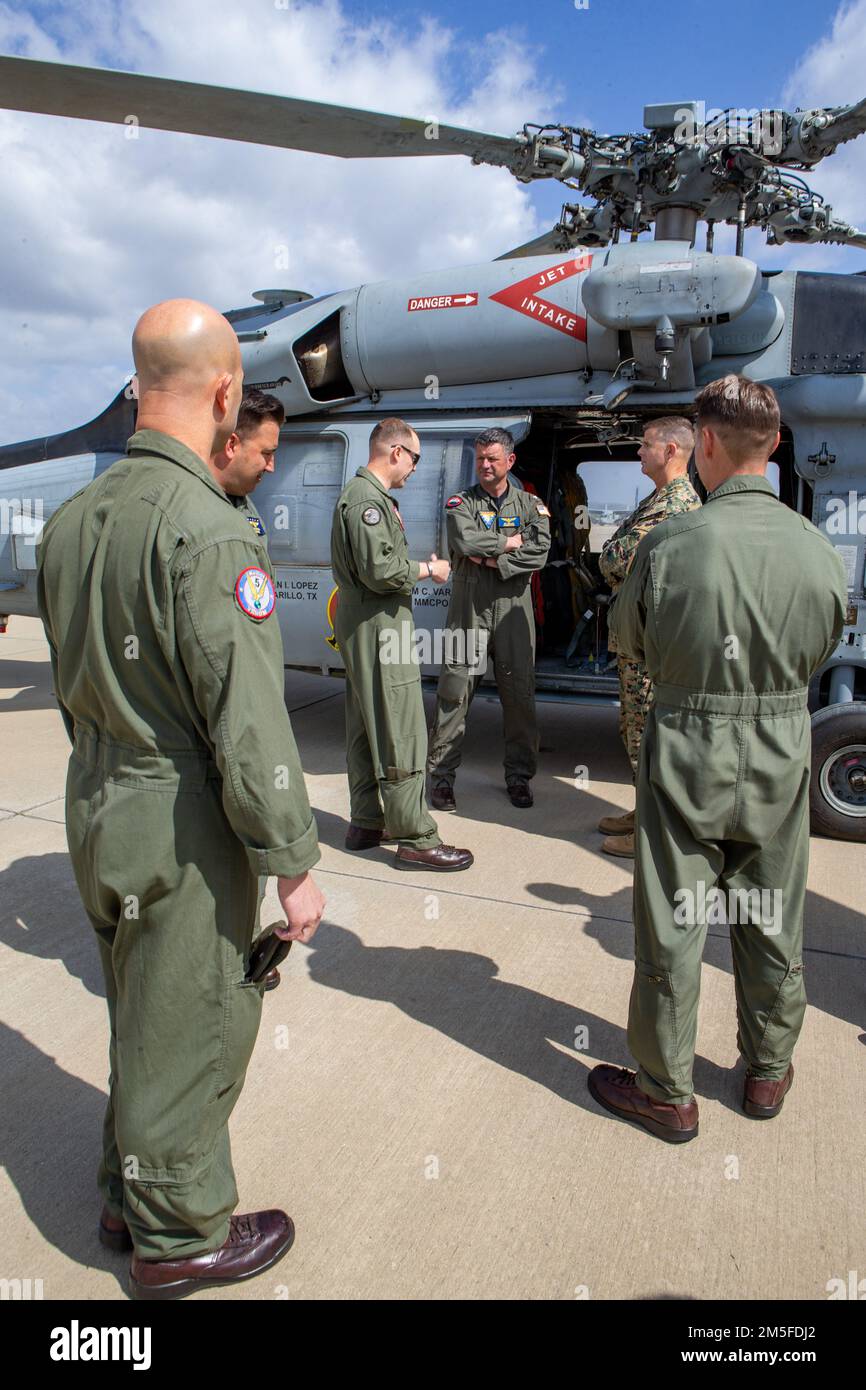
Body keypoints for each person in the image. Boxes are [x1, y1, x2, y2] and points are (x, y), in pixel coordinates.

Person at [37, 299, 325, 1298]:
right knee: (198, 1016)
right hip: (178, 819)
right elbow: (247, 724)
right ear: (224, 391)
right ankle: (182, 1234)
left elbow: (75, 683)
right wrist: (291, 857)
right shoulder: (208, 529)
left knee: (140, 1012)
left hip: (99, 799)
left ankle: (128, 1192)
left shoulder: (73, 520)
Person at [587, 376, 847, 1143]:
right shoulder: (817, 549)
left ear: (704, 442)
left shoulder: (669, 543)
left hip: (687, 745)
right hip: (778, 744)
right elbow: (823, 642)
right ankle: (767, 1070)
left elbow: (628, 641)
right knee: (770, 912)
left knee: (674, 918)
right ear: (773, 445)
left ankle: (668, 1091)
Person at [331, 417, 473, 870]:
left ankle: (369, 821)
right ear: (395, 452)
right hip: (379, 622)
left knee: (366, 724)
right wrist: (430, 570)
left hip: (368, 621)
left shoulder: (366, 498)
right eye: (414, 458)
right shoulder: (367, 501)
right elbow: (382, 572)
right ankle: (415, 835)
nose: (414, 469)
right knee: (401, 725)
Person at [426, 428, 551, 810]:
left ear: (509, 461)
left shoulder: (531, 506)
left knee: (519, 697)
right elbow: (463, 541)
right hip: (470, 610)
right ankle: (442, 779)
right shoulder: (460, 503)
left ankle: (519, 777)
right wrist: (509, 543)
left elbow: (541, 551)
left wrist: (493, 558)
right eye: (480, 458)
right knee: (454, 693)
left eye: (492, 458)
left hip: (514, 612)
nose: (484, 465)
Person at [597, 417, 701, 857]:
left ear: (671, 451)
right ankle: (644, 813)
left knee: (648, 739)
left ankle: (655, 836)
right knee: (633, 730)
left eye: (645, 445)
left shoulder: (677, 505)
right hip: (638, 639)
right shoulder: (659, 499)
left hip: (651, 643)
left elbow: (617, 559)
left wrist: (612, 554)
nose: (638, 452)